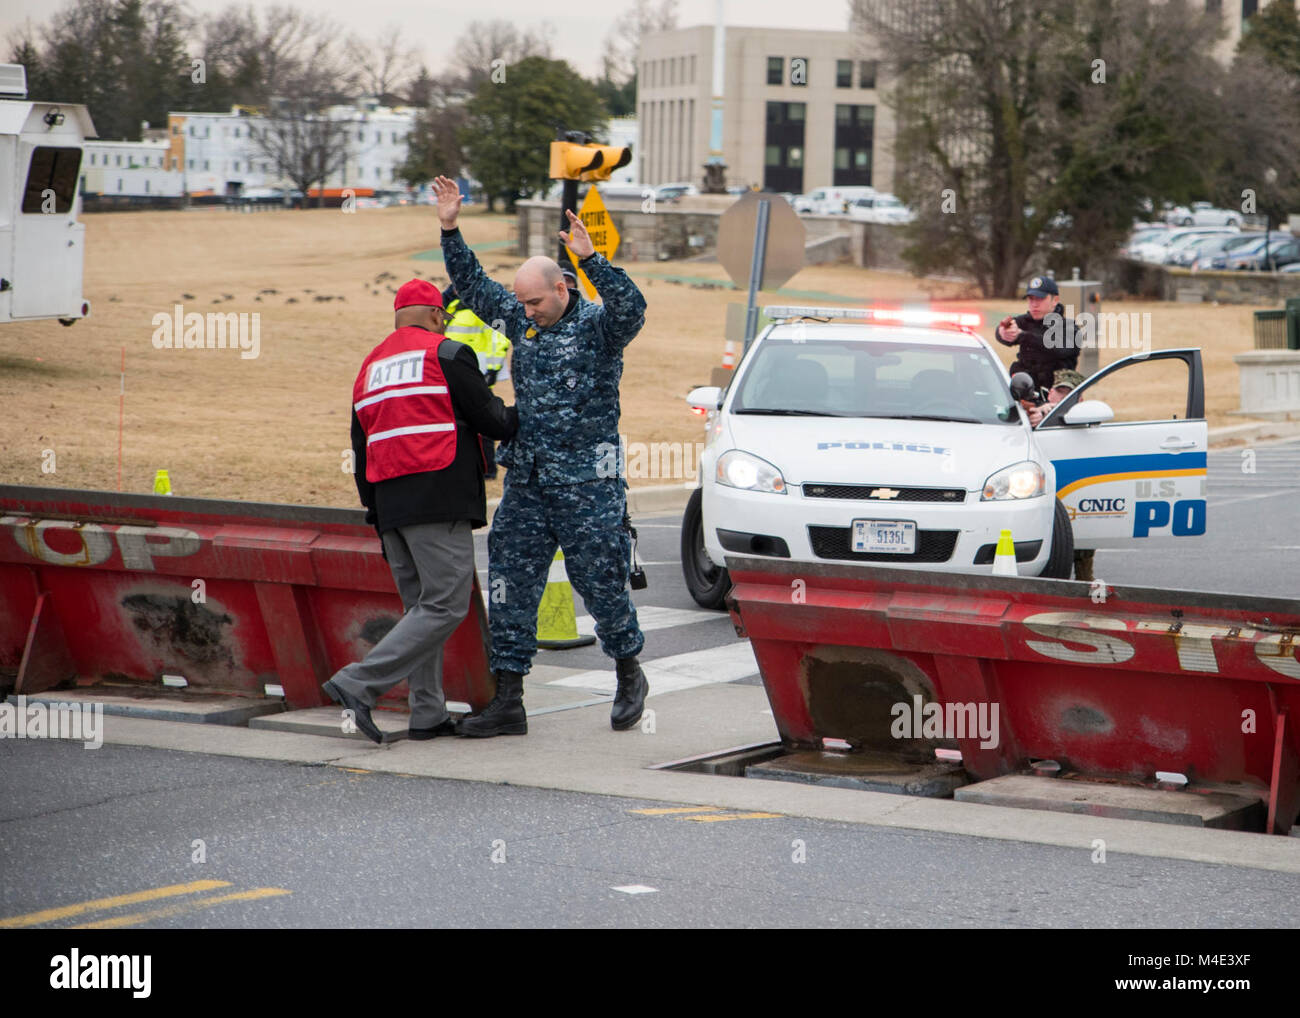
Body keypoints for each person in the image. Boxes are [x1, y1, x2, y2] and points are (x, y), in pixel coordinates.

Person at [431, 173, 648, 737]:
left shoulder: (600, 327)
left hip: (587, 486)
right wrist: (450, 227)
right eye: (521, 302)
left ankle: (628, 670)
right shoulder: (521, 320)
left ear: (562, 290)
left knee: (601, 581)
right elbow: (475, 287)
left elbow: (633, 308)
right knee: (510, 581)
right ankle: (509, 699)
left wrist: (592, 260)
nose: (525, 312)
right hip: (527, 480)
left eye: (535, 302)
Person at [322, 278, 517, 744]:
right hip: (438, 494)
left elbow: (359, 446)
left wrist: (375, 513)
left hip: (389, 506)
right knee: (446, 605)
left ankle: (426, 714)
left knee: (420, 609)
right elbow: (492, 419)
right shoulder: (447, 354)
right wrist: (530, 415)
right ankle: (357, 683)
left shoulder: (369, 367)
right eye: (443, 318)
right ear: (435, 315)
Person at [1018, 367, 1098, 582]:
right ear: (1050, 391)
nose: (1062, 397)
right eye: (1059, 391)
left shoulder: (1086, 416)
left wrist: (1053, 412)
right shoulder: (1031, 409)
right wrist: (1037, 415)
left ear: (1080, 399)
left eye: (1069, 394)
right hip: (1038, 485)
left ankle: (1085, 586)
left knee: (1082, 548)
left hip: (1075, 485)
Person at [443, 282, 512, 479]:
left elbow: (498, 337)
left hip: (477, 372)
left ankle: (488, 468)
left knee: (485, 418)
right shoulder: (453, 306)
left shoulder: (482, 307)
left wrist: (493, 367)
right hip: (454, 372)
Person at [995, 275, 1080, 390]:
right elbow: (1003, 333)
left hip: (1056, 399)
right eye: (1031, 299)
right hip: (1025, 394)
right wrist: (1003, 332)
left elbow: (1058, 348)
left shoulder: (1069, 327)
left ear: (1055, 300)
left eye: (1040, 299)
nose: (1034, 304)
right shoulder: (1025, 321)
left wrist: (1022, 336)